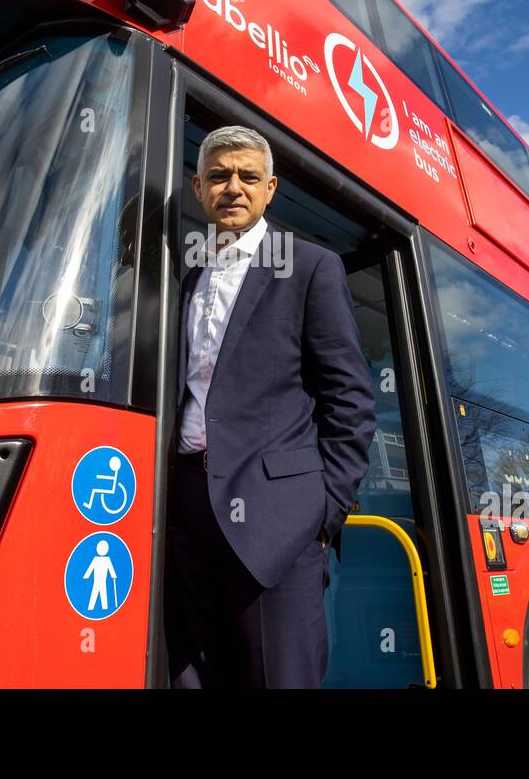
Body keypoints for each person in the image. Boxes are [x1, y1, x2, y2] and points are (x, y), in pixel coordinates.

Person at [166, 124, 376, 688]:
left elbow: (350, 398)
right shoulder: (186, 280)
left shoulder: (310, 267)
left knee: (278, 676)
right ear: (198, 188)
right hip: (185, 505)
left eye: (247, 176)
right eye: (218, 176)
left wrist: (322, 514)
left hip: (277, 514)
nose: (232, 187)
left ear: (270, 189)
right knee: (193, 674)